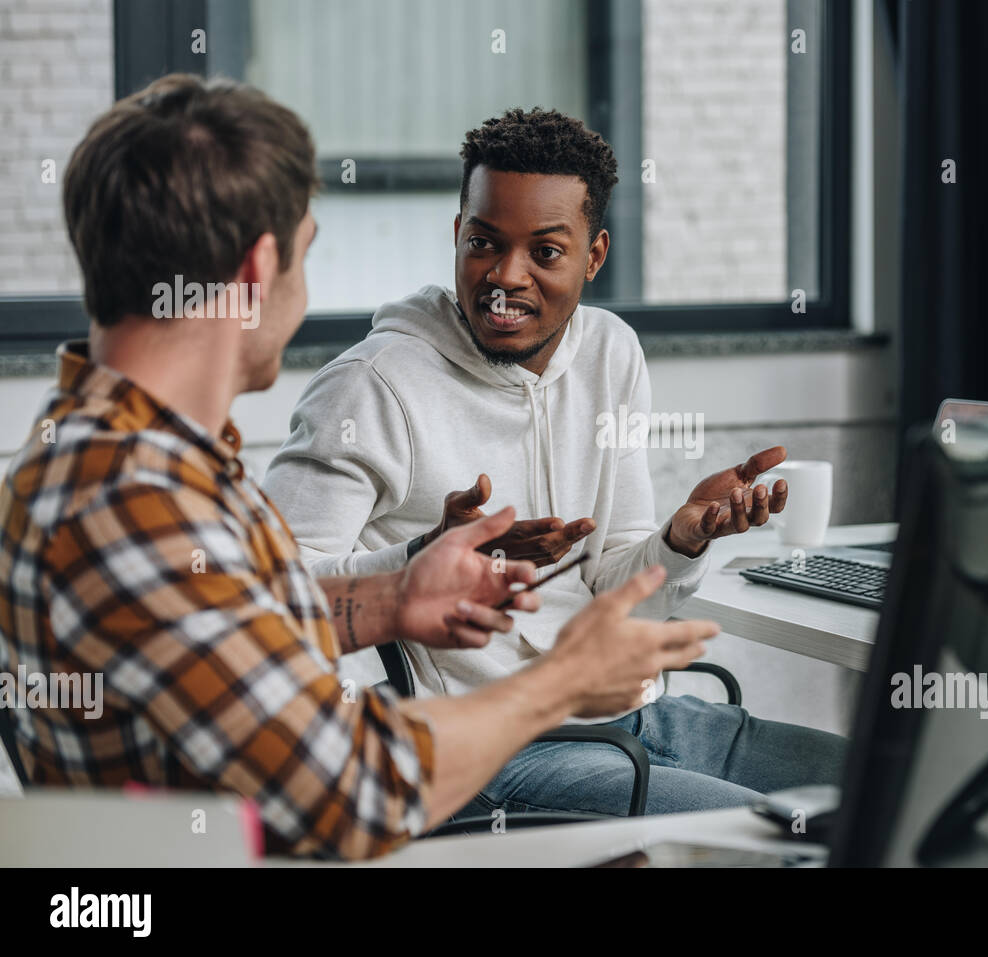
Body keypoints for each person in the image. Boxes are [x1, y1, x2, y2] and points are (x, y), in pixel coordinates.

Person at [0, 75, 718, 860]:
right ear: (255, 270)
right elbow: (352, 794)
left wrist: (393, 595)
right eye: (304, 257)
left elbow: (228, 630)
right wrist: (561, 682)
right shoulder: (136, 502)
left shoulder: (105, 451)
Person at [262, 108, 847, 818]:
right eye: (484, 242)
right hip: (498, 754)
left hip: (636, 717)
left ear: (593, 256)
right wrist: (419, 560)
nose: (506, 277)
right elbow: (270, 602)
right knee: (781, 840)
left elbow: (617, 597)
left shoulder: (611, 354)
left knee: (893, 783)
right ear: (456, 235)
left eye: (545, 252)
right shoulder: (372, 385)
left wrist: (681, 541)